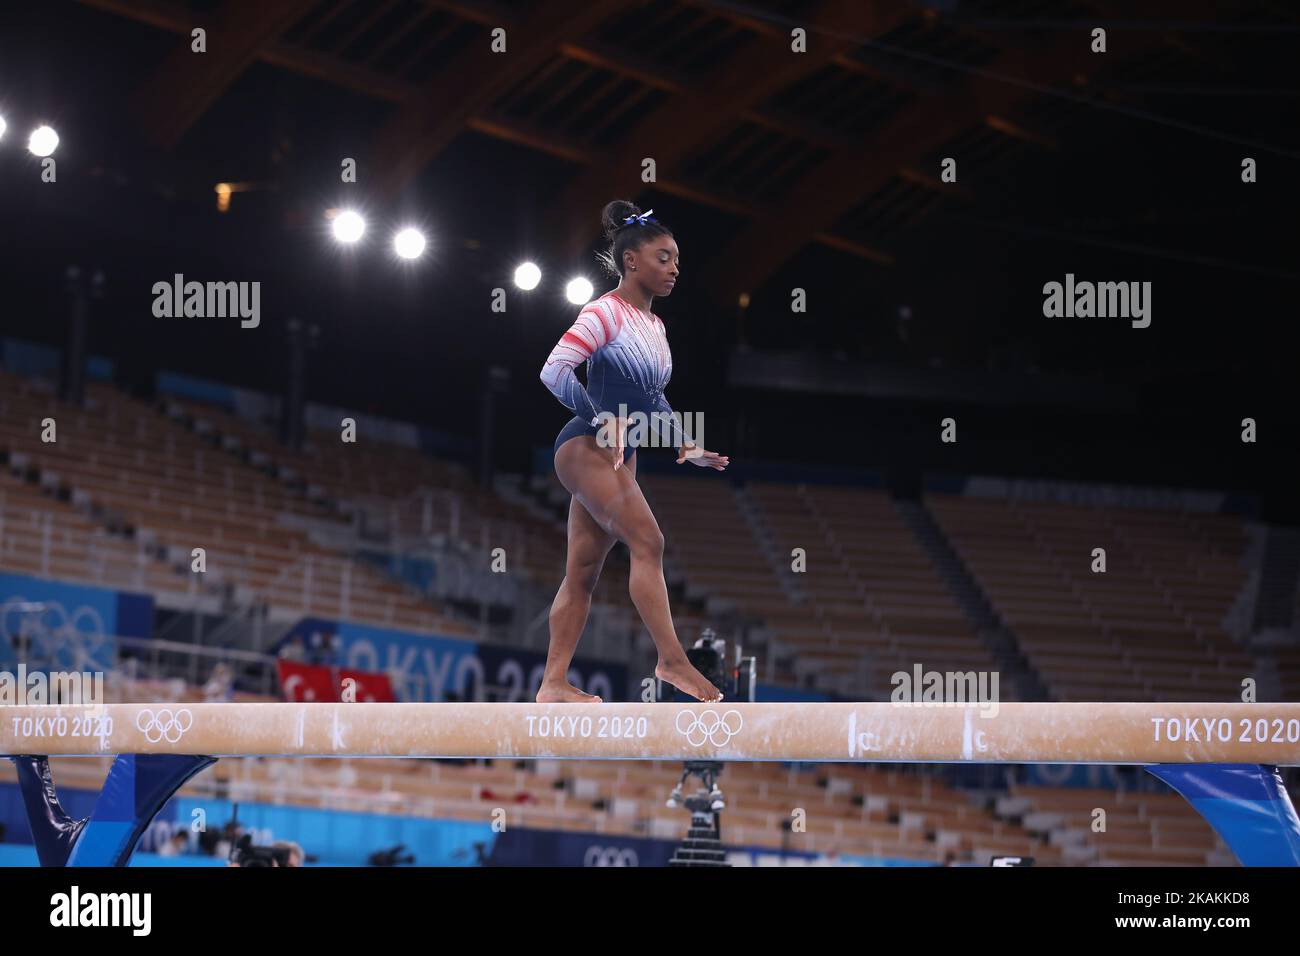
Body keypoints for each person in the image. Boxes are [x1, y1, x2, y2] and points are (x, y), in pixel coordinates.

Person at [538, 200, 729, 704]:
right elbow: (554, 371)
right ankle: (671, 660)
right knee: (649, 541)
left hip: (621, 452)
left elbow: (652, 398)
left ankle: (553, 683)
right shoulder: (603, 312)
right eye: (663, 258)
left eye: (677, 260)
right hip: (587, 443)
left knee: (582, 572)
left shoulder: (656, 327)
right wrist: (600, 416)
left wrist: (685, 442)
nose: (674, 268)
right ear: (631, 261)